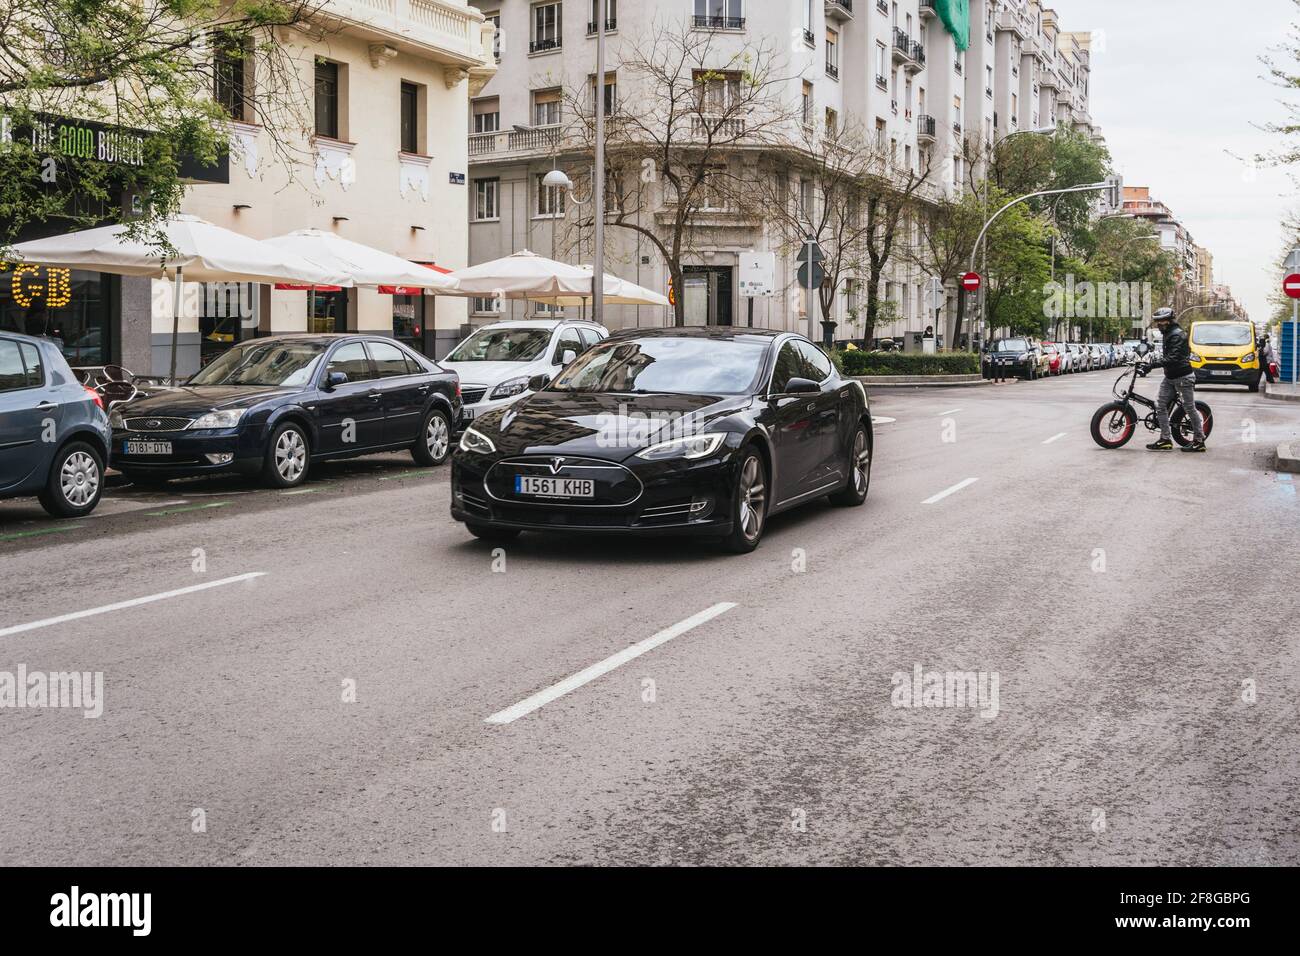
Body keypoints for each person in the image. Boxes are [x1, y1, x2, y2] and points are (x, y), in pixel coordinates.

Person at [1146, 307, 1206, 452]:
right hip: (1170, 377)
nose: (1158, 325)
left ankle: (1199, 441)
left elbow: (1173, 358)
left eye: (1161, 322)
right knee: (1160, 405)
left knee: (1189, 408)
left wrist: (1152, 365)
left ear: (1168, 321)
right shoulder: (1168, 333)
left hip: (1183, 377)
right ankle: (1165, 439)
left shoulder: (1177, 335)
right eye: (1157, 322)